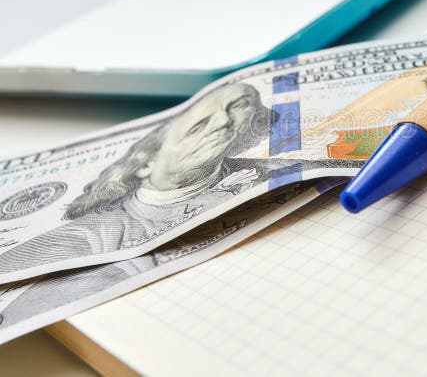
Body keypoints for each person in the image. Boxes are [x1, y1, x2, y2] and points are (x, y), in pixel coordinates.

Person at [0, 82, 278, 274]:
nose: (224, 122)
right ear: (145, 165)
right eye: (198, 127)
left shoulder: (279, 170)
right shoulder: (84, 238)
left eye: (236, 106)